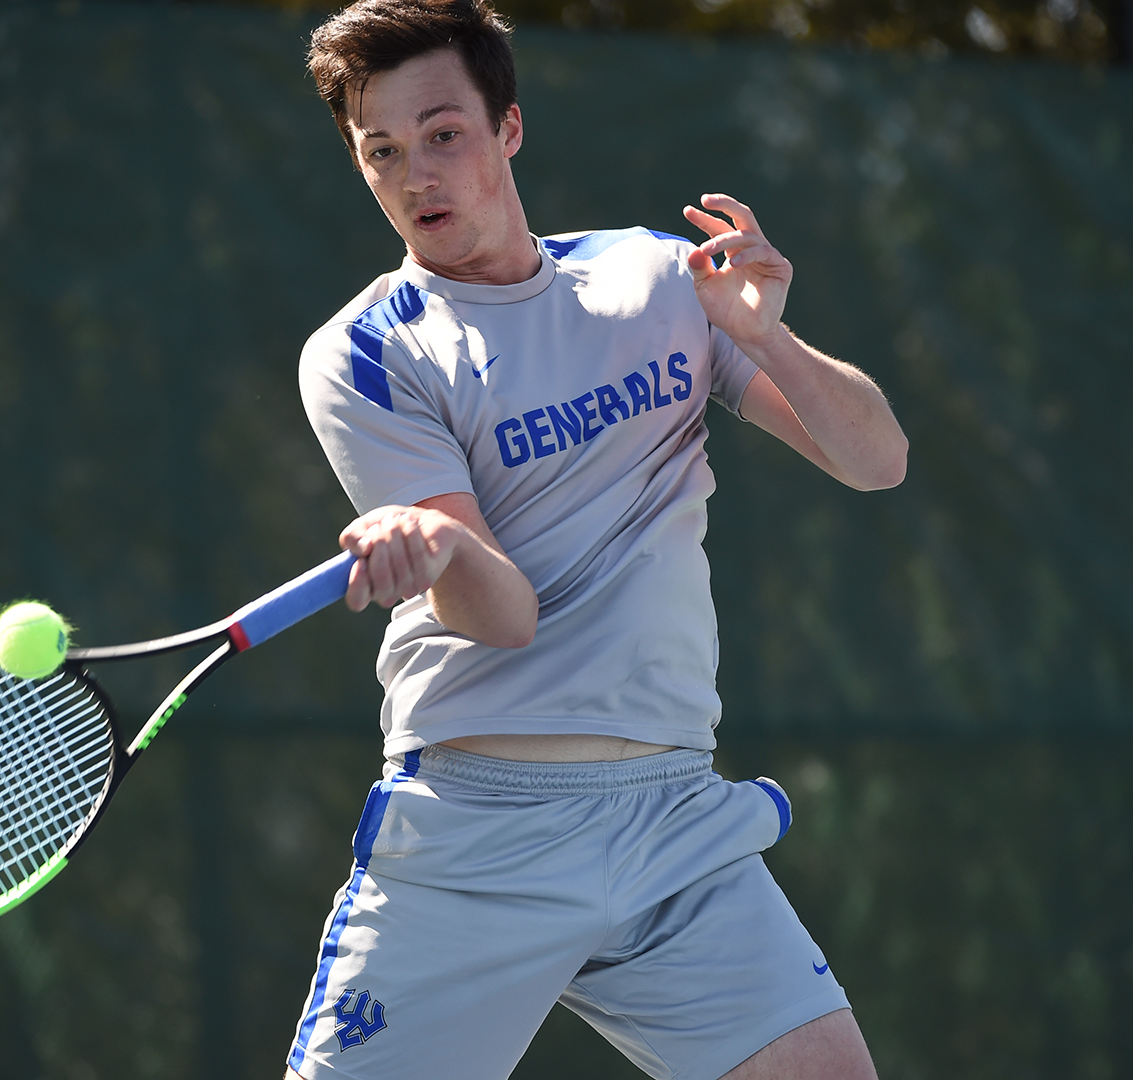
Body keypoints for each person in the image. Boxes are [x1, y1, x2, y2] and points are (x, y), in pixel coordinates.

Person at [288, 2, 907, 1077]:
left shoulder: (661, 280)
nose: (417, 175)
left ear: (509, 129)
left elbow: (875, 458)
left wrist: (766, 337)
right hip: (482, 833)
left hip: (673, 819)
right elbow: (506, 616)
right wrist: (437, 554)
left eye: (445, 135)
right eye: (380, 151)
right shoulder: (366, 354)